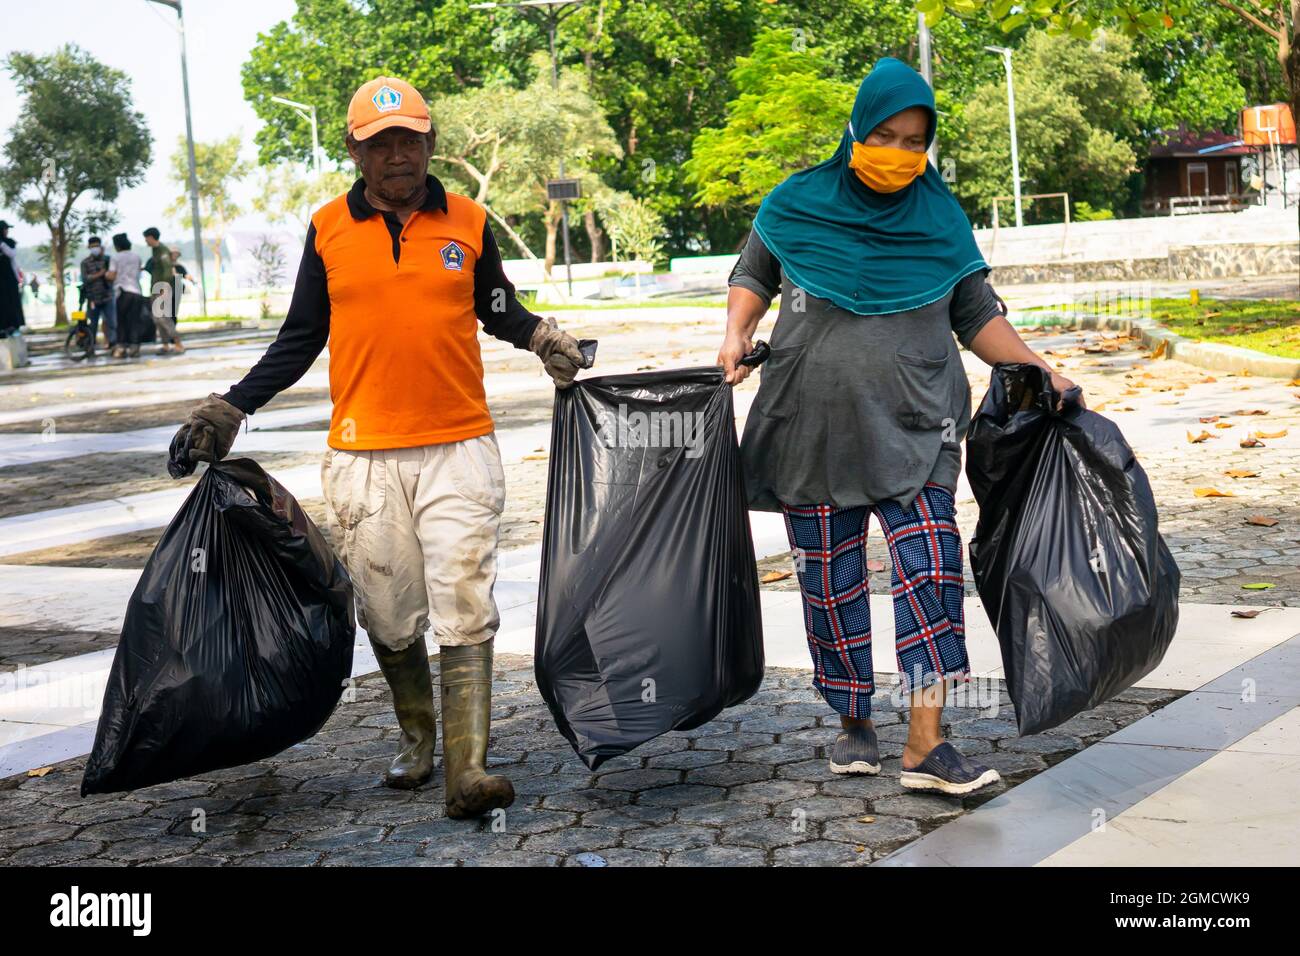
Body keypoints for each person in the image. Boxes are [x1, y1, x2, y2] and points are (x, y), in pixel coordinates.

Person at [170, 76, 586, 819]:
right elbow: (299, 339)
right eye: (381, 143)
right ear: (357, 153)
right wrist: (230, 407)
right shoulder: (329, 228)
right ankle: (419, 739)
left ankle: (469, 769)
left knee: (465, 598)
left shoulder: (469, 219)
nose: (399, 154)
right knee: (390, 615)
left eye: (411, 139)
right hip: (363, 455)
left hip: (459, 447)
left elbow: (497, 307)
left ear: (431, 143)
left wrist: (541, 335)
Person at [717, 58, 1085, 797]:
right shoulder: (796, 203)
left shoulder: (940, 220)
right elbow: (753, 272)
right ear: (854, 130)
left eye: (915, 142)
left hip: (918, 427)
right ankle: (853, 717)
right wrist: (735, 331)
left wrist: (1043, 369)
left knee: (930, 574)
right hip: (808, 429)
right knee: (830, 586)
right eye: (883, 135)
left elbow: (978, 317)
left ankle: (927, 742)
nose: (898, 154)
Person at [143, 227, 184, 353]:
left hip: (162, 287)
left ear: (151, 237)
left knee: (163, 317)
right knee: (157, 318)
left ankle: (177, 342)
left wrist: (164, 287)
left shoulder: (162, 251)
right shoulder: (156, 251)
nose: (145, 241)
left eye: (146, 238)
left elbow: (167, 270)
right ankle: (165, 344)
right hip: (156, 287)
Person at [78, 236, 116, 356]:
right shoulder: (85, 263)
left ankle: (114, 345)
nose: (95, 249)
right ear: (89, 247)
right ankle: (90, 348)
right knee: (92, 324)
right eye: (92, 246)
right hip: (92, 298)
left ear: (101, 247)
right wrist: (99, 274)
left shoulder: (108, 260)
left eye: (97, 246)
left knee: (112, 322)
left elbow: (113, 274)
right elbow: (85, 279)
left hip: (107, 296)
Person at [110, 233, 145, 359]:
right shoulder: (136, 256)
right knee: (135, 321)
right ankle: (135, 347)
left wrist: (106, 275)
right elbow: (139, 271)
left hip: (122, 291)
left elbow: (112, 275)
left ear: (117, 245)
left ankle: (121, 347)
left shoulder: (115, 257)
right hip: (136, 291)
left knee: (121, 321)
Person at [0, 220, 25, 336]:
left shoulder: (8, 242)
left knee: (12, 302)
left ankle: (14, 326)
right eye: (5, 229)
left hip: (9, 278)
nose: (7, 231)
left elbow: (11, 254)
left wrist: (1, 244)